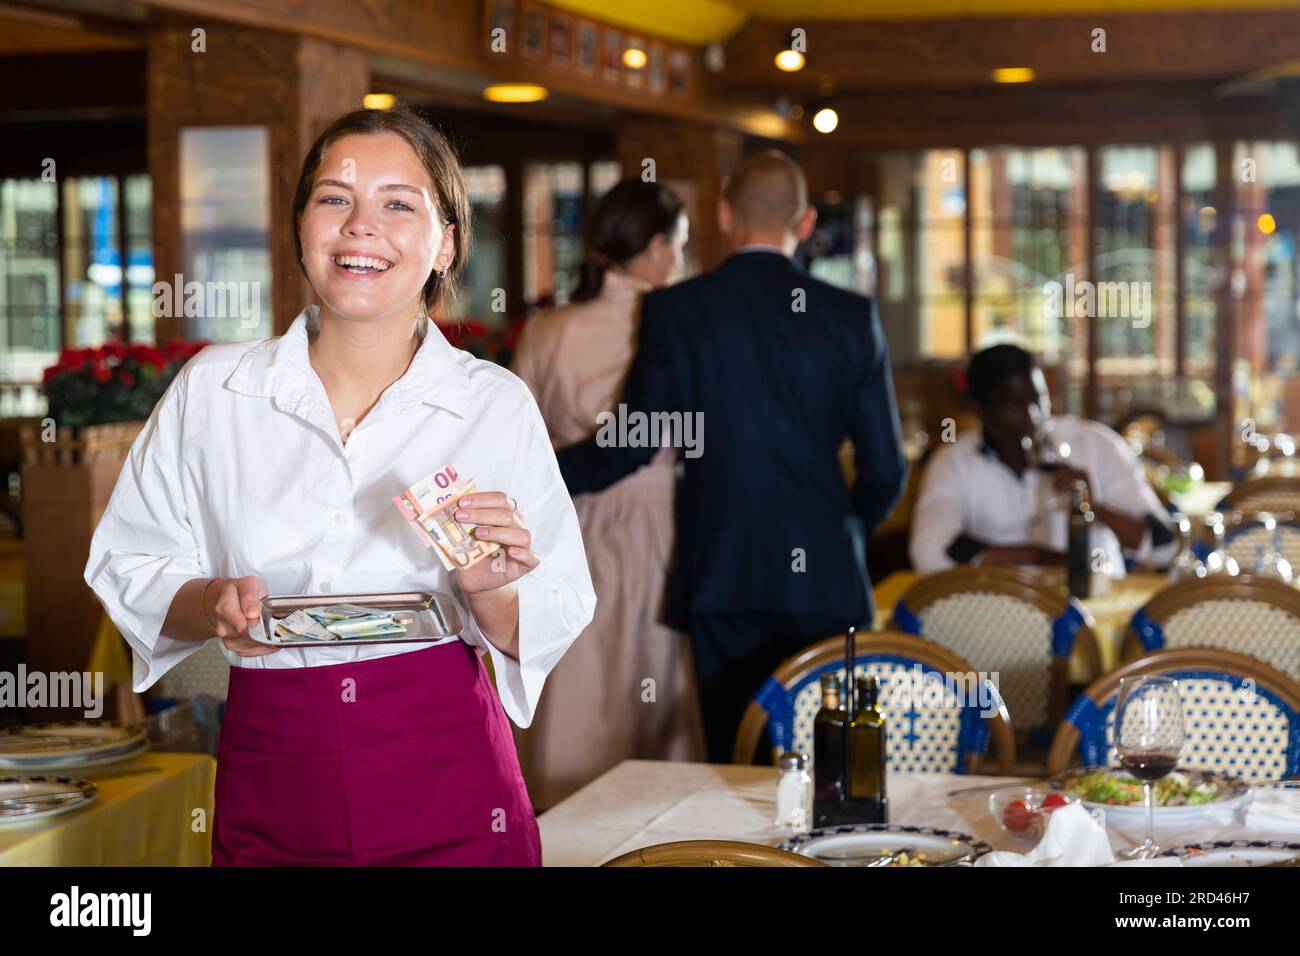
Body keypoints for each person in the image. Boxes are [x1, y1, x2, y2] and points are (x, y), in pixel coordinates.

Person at [84, 106, 596, 866]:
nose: (361, 225)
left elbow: (555, 612)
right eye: (334, 198)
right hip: (271, 767)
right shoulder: (216, 390)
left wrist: (488, 591)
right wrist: (211, 604)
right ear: (301, 228)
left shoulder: (493, 404)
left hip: (449, 772)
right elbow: (130, 562)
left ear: (446, 243)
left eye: (397, 203)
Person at [556, 151, 907, 764]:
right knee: (832, 765)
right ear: (804, 223)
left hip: (724, 566)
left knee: (736, 764)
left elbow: (633, 443)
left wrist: (537, 471)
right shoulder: (850, 316)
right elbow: (886, 469)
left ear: (723, 214)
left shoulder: (679, 310)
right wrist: (842, 529)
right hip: (825, 574)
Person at [511, 178, 705, 808]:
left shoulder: (549, 329)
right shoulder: (681, 325)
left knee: (580, 680)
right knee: (650, 672)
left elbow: (517, 442)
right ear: (652, 249)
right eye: (677, 244)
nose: (680, 260)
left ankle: (563, 815)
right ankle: (658, 826)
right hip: (659, 522)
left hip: (568, 520)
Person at [910, 343, 1174, 575]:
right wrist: (1041, 559)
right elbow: (931, 552)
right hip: (1001, 615)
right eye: (1012, 405)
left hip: (1096, 612)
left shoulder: (1094, 445)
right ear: (978, 408)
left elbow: (1164, 545)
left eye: (1038, 399)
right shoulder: (953, 462)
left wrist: (1094, 506)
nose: (1032, 416)